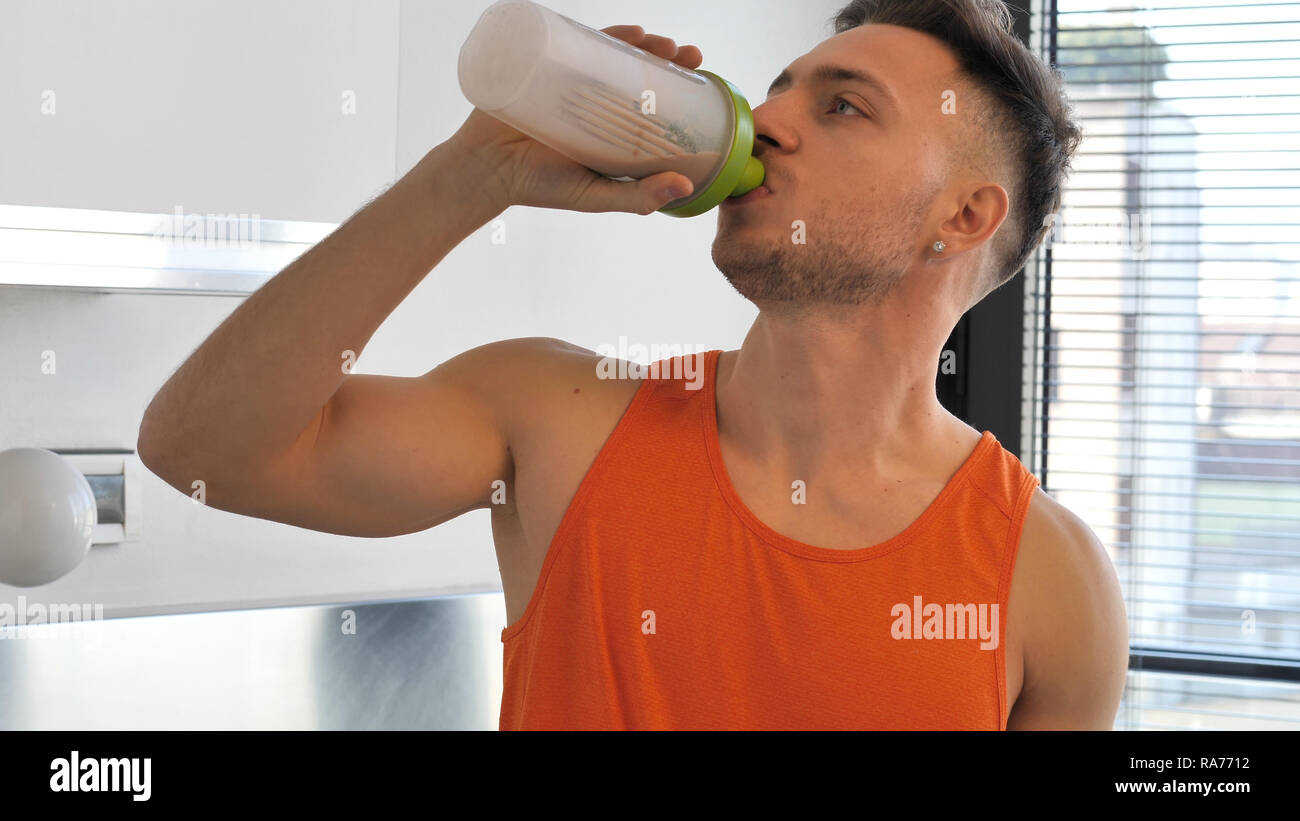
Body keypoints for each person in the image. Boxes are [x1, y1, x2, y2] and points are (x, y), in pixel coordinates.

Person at [137, 0, 1129, 730]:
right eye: (777, 90)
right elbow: (202, 448)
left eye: (843, 109)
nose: (769, 120)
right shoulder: (554, 414)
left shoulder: (1048, 580)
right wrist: (468, 177)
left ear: (962, 217)